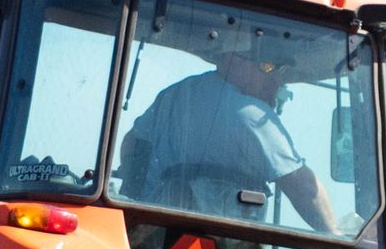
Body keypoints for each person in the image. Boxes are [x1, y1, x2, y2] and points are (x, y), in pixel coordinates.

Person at [114, 43, 341, 234]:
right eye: (267, 67)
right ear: (232, 59)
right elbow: (303, 187)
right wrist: (337, 237)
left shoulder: (175, 95)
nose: (276, 82)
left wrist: (135, 199)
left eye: (280, 73)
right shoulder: (247, 112)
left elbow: (132, 143)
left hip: (156, 237)